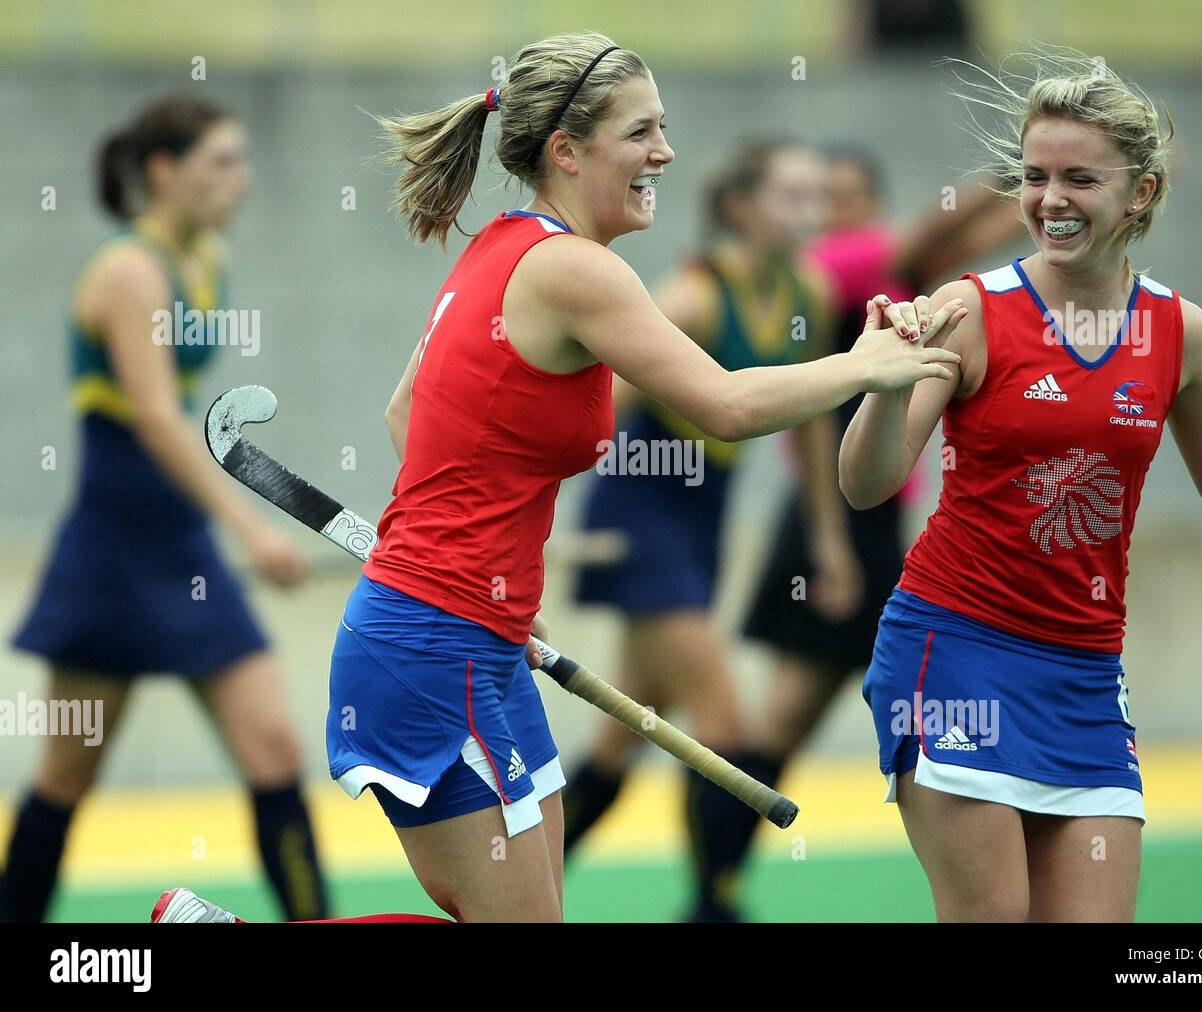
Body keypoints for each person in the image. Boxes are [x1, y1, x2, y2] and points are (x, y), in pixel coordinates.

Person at [151, 31, 963, 925]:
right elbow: (725, 404)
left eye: (664, 127)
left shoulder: (503, 247)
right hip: (431, 649)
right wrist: (867, 364)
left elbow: (405, 418)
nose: (665, 152)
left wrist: (487, 574)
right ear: (567, 151)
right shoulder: (577, 270)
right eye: (641, 132)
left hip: (472, 635)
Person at [840, 49, 1202, 921]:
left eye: (1080, 179)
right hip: (954, 653)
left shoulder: (1178, 331)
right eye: (1034, 175)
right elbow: (869, 483)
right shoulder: (967, 310)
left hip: (1085, 674)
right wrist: (885, 382)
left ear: (1142, 194)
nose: (1050, 199)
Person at [3, 95, 329, 923]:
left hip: (181, 547)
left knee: (276, 752)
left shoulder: (204, 260)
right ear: (162, 171)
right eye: (221, 161)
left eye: (243, 160)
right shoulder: (129, 270)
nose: (241, 180)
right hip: (110, 551)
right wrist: (254, 527)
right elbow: (154, 416)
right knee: (63, 783)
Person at [688, 148, 1024, 921]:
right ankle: (712, 895)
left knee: (784, 727)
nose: (830, 211)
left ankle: (716, 891)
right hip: (835, 521)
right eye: (819, 197)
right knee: (775, 725)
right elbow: (933, 241)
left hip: (870, 522)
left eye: (848, 196)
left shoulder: (897, 283)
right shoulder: (838, 266)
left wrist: (1063, 200)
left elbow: (954, 252)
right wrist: (1018, 172)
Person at [557, 139, 853, 921]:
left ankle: (518, 881)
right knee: (722, 722)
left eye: (819, 196)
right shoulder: (691, 296)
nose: (811, 212)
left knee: (625, 735)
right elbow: (598, 404)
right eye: (792, 194)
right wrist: (532, 511)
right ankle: (713, 906)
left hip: (705, 517)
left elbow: (813, 425)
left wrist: (827, 538)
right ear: (739, 208)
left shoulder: (809, 291)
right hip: (639, 512)